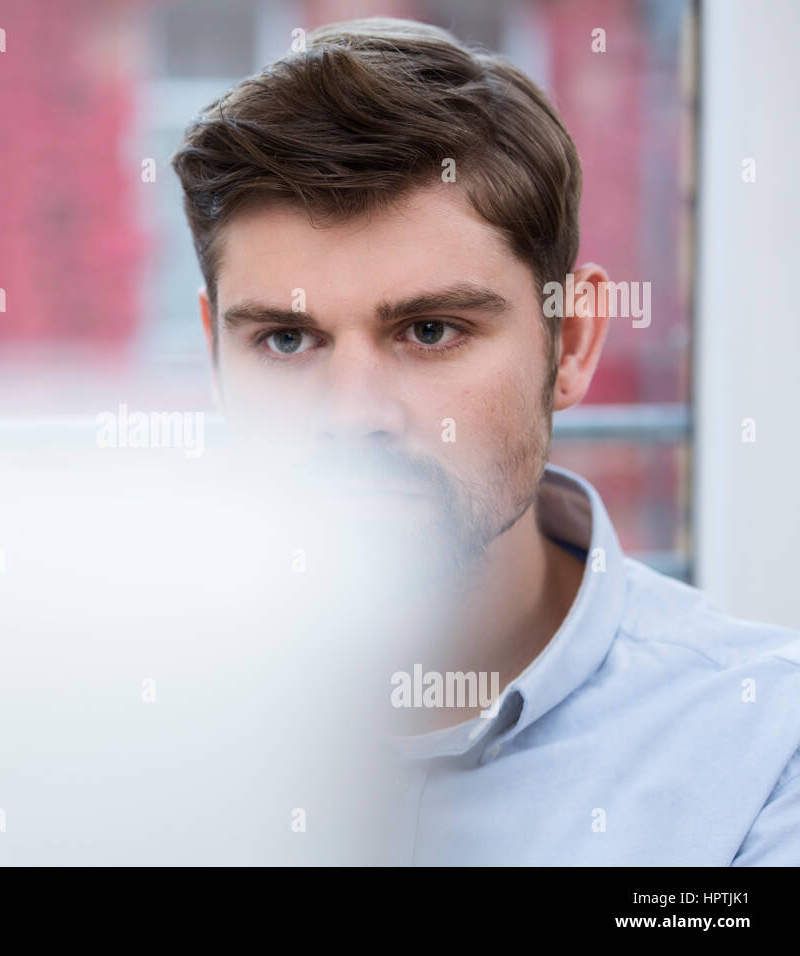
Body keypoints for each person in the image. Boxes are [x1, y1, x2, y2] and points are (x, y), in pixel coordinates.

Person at [170, 17, 800, 865]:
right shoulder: (94, 714)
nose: (354, 415)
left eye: (430, 330)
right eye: (286, 340)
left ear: (571, 340)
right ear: (215, 354)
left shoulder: (765, 749)